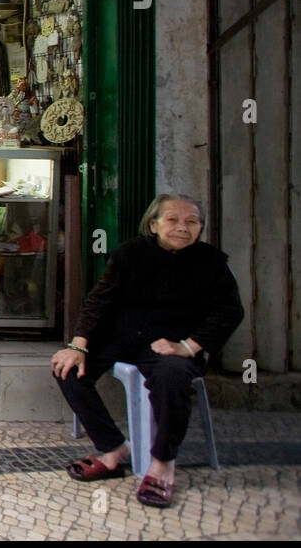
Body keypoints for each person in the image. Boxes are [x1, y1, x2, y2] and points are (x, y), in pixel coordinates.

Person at [52, 194, 242, 508]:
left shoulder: (211, 263)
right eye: (173, 220)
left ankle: (163, 462)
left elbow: (229, 312)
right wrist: (78, 344)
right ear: (153, 224)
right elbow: (99, 300)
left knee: (172, 377)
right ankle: (114, 448)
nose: (182, 228)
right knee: (67, 368)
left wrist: (188, 346)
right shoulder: (130, 255)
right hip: (123, 339)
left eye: (192, 222)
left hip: (173, 347)